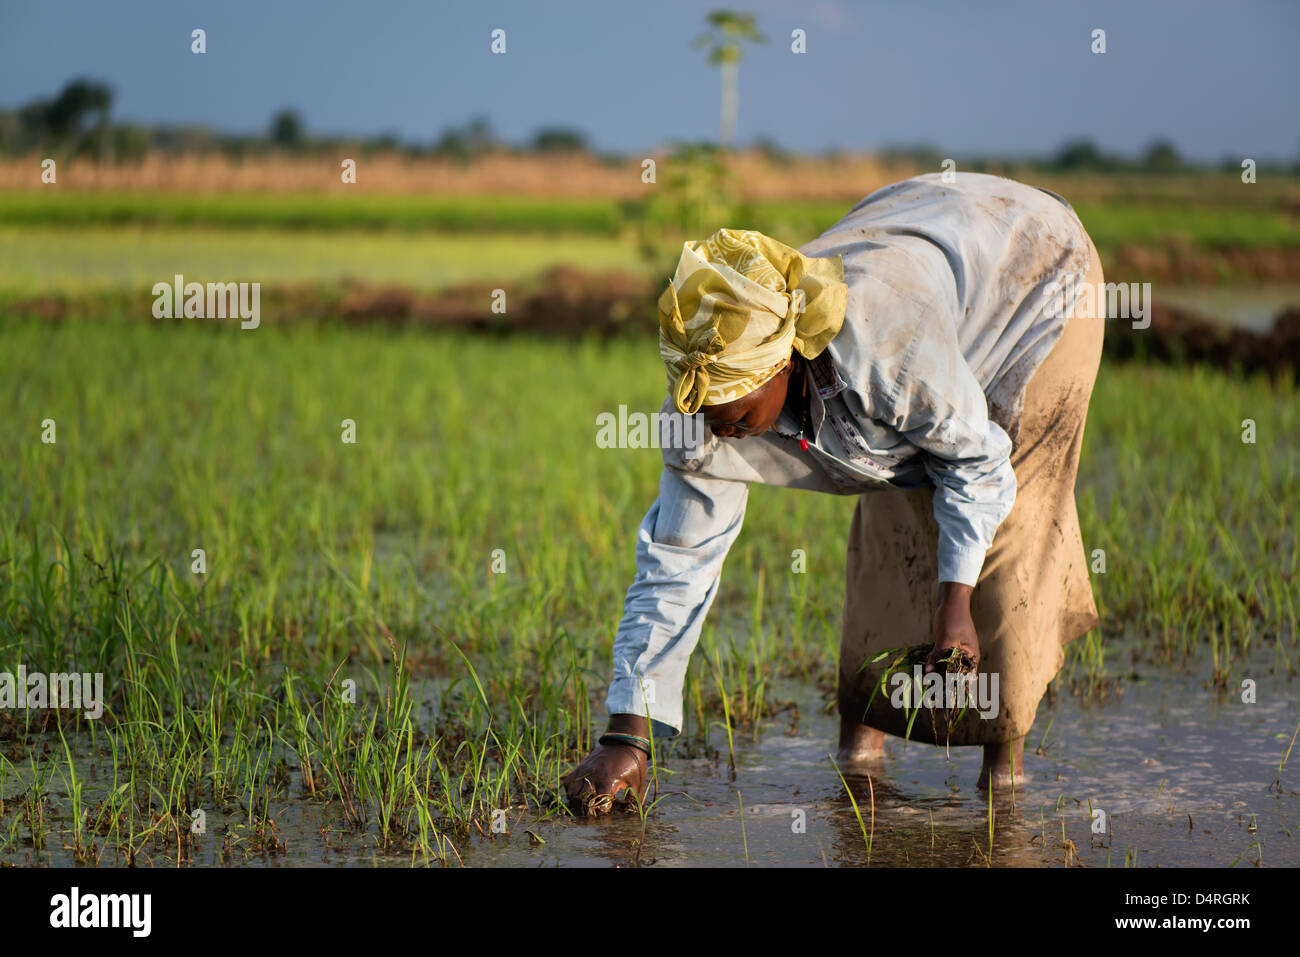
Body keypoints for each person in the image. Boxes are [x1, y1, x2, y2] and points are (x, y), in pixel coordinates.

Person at [561, 172, 1106, 810]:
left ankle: (1002, 771)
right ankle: (861, 749)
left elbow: (977, 466)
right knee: (889, 495)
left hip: (1033, 267)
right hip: (919, 232)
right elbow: (676, 564)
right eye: (701, 404)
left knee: (1009, 513)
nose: (715, 422)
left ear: (785, 361)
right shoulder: (702, 406)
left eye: (732, 405)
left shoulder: (888, 354)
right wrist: (628, 737)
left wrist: (954, 603)